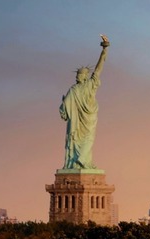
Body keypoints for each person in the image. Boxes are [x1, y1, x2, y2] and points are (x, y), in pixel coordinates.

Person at [59, 35, 110, 169]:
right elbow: (65, 109)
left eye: (79, 75)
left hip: (88, 120)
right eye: (77, 75)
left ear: (84, 76)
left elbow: (99, 69)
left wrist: (104, 50)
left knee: (87, 142)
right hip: (80, 122)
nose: (77, 77)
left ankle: (83, 162)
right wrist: (64, 104)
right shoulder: (74, 90)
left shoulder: (88, 85)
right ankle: (78, 163)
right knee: (81, 141)